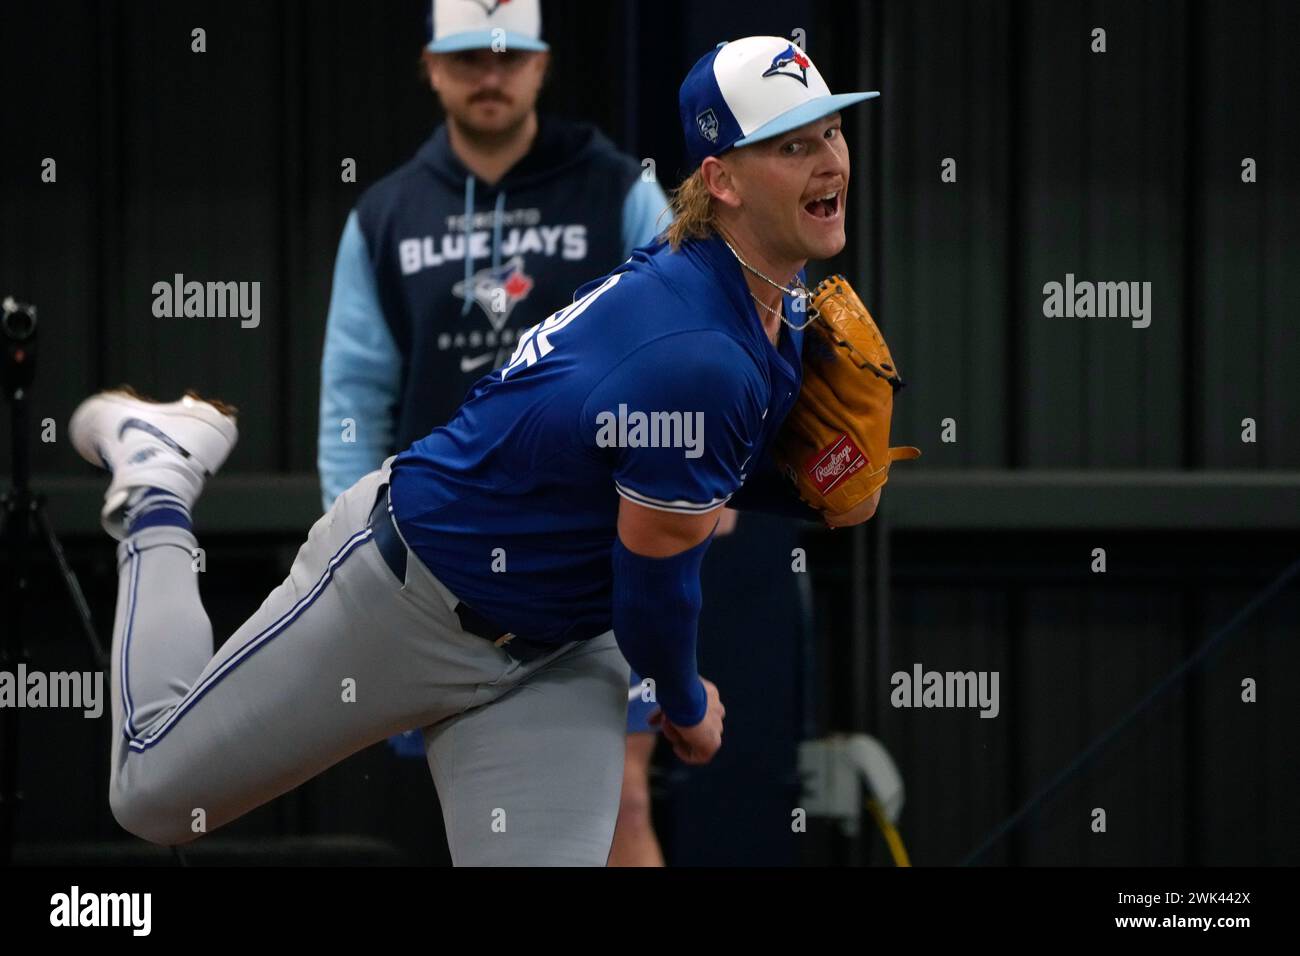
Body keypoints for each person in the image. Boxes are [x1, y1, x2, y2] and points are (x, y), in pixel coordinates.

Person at [70, 35, 880, 865]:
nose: (829, 161)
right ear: (722, 180)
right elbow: (653, 590)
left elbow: (685, 470)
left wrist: (823, 489)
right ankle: (158, 478)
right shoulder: (699, 350)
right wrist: (682, 700)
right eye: (792, 144)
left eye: (831, 131)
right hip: (405, 594)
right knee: (152, 797)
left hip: (559, 652)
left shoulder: (773, 299)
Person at [316, 0, 681, 864]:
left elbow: (685, 336)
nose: (489, 74)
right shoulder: (384, 214)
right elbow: (355, 396)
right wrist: (350, 553)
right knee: (464, 815)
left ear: (542, 63)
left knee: (623, 802)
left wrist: (693, 478)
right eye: (468, 58)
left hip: (601, 556)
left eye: (508, 56)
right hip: (442, 560)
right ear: (432, 66)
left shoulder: (618, 189)